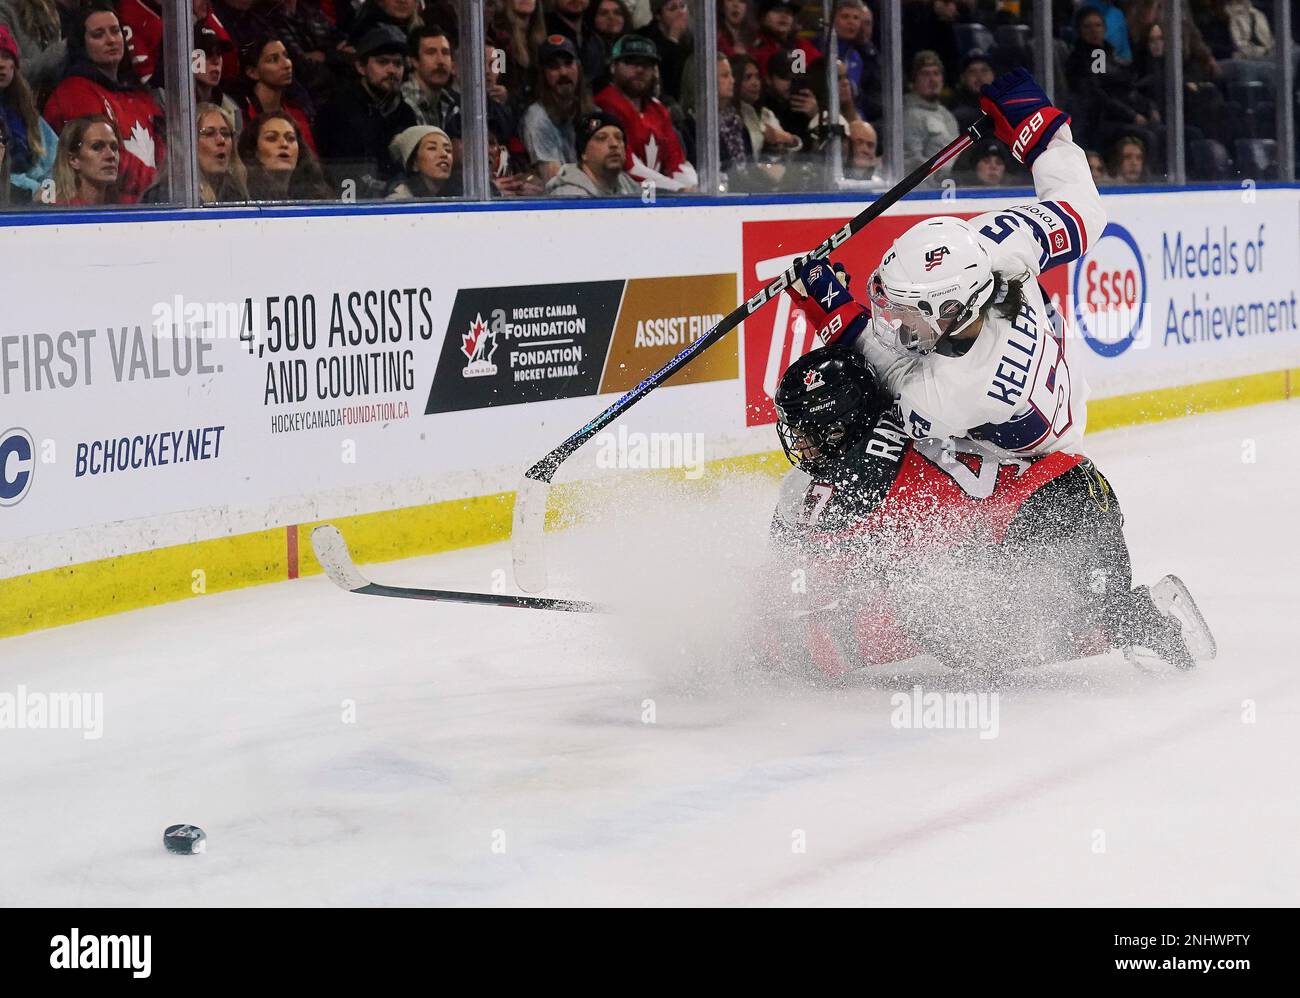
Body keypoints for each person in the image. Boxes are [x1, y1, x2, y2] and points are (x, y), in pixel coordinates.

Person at [764, 345, 1216, 678]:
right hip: (1076, 493)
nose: (797, 442)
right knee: (946, 608)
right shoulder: (894, 412)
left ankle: (1129, 615)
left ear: (843, 422)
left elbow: (816, 574)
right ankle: (1125, 614)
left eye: (808, 430)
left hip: (1059, 515)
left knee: (962, 628)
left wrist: (776, 642)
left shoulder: (856, 481)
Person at [786, 69, 1106, 459]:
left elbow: (889, 376)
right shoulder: (991, 243)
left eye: (904, 310)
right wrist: (1035, 123)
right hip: (1056, 388)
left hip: (1029, 464)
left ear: (949, 309)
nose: (897, 319)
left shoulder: (951, 393)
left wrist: (831, 310)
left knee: (876, 453)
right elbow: (1084, 212)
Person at [43, 4, 165, 202]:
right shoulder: (74, 93)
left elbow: (164, 149)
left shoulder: (141, 97)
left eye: (115, 31)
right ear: (82, 44)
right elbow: (102, 155)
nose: (111, 40)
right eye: (98, 35)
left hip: (149, 204)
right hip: (102, 210)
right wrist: (159, 186)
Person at [315, 23, 416, 198]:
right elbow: (341, 172)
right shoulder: (337, 110)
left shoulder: (405, 113)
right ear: (361, 67)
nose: (392, 70)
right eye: (382, 62)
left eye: (398, 63)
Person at [594, 33, 695, 190]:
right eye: (631, 62)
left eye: (647, 64)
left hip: (657, 198)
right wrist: (677, 189)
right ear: (613, 67)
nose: (640, 69)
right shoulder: (605, 105)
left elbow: (676, 161)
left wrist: (693, 187)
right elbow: (628, 165)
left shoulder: (658, 109)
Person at [521, 34, 591, 181]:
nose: (563, 72)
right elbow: (556, 181)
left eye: (568, 63)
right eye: (554, 67)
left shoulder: (592, 112)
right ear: (543, 74)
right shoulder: (537, 118)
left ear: (578, 67)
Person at [0, 25, 57, 204]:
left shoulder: (29, 117)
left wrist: (47, 191)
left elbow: (56, 162)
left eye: (7, 56)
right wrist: (31, 190)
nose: (1, 63)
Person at [236, 35, 317, 154]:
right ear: (252, 72)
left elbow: (312, 165)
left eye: (286, 56)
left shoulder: (297, 114)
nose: (287, 64)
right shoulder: (241, 114)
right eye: (273, 59)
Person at [238, 108, 330, 199]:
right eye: (271, 138)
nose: (284, 144)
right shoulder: (242, 197)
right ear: (254, 150)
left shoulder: (317, 197)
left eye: (291, 138)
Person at [545, 108, 638, 196]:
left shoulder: (626, 183)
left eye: (618, 137)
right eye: (602, 138)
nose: (614, 144)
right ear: (583, 153)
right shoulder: (569, 196)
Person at [901, 49, 957, 173]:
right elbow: (913, 163)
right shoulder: (910, 115)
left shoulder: (947, 115)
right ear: (914, 81)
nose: (932, 79)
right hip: (930, 188)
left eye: (936, 73)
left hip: (952, 186)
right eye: (925, 74)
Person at [0, 0, 65, 98]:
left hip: (48, 100)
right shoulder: (3, 10)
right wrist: (62, 50)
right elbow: (15, 72)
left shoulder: (50, 9)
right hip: (17, 103)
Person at [52, 113, 121, 204]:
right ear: (73, 160)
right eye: (96, 147)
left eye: (114, 147)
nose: (111, 155)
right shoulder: (56, 211)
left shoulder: (124, 206)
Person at [402, 24, 459, 129]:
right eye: (431, 53)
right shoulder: (403, 104)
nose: (440, 61)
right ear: (414, 61)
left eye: (445, 53)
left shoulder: (452, 102)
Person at [636, 0, 691, 105]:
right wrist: (673, 39)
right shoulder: (644, 39)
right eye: (673, 9)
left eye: (682, 7)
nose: (680, 13)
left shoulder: (689, 39)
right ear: (658, 15)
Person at [749, 0, 819, 78]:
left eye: (788, 13)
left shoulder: (802, 45)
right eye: (777, 11)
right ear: (763, 17)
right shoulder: (754, 48)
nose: (784, 16)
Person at [195, 102, 248, 201]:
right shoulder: (170, 196)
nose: (221, 140)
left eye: (226, 133)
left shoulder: (237, 195)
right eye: (209, 133)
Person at [386, 123, 454, 198]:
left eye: (448, 150)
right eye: (432, 148)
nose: (444, 154)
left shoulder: (459, 195)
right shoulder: (399, 200)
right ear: (414, 163)